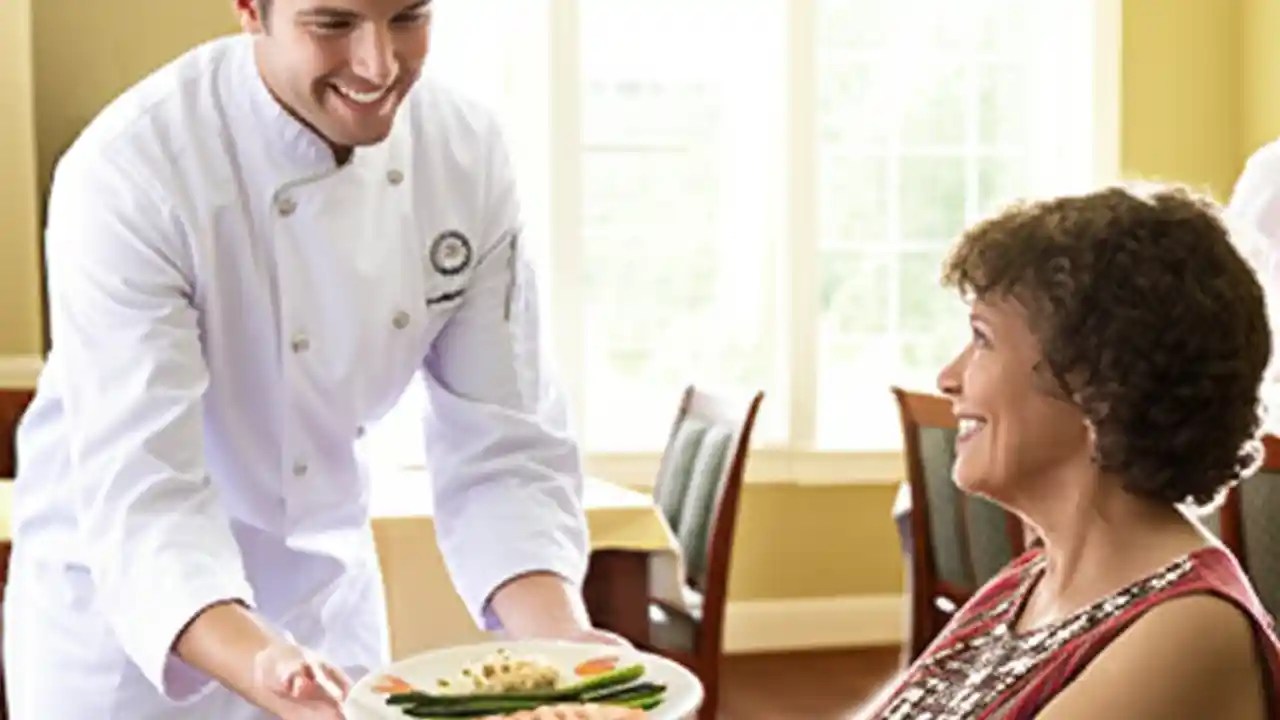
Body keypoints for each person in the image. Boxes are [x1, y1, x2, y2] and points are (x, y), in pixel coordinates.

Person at [4, 1, 618, 718]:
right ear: (249, 10)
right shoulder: (133, 171)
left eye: (408, 17)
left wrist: (569, 654)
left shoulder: (465, 153)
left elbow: (503, 447)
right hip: (131, 636)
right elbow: (147, 493)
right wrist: (261, 660)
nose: (378, 65)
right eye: (332, 24)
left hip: (326, 606)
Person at [860, 184, 1280, 719]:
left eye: (983, 339)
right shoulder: (1032, 580)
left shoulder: (1185, 631)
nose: (948, 378)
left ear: (1097, 386)